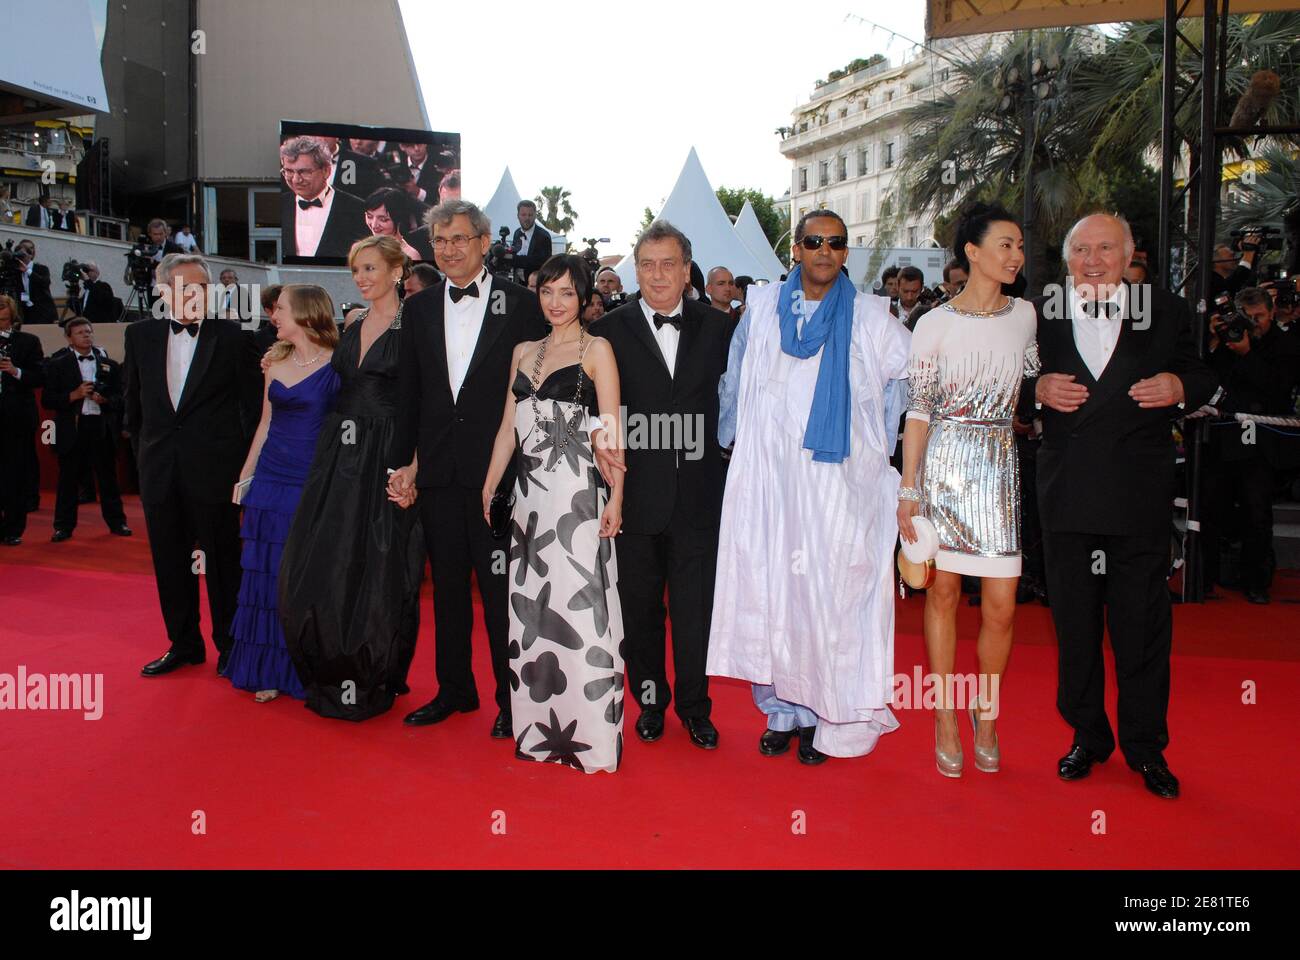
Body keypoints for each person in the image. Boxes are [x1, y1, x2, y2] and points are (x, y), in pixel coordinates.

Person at [1029, 212, 1218, 799]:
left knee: (1141, 631)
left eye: (1105, 248)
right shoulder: (1038, 313)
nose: (1092, 260)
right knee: (1076, 629)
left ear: (1129, 253)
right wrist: (1032, 390)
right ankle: (1087, 737)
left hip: (1138, 496)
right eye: (1080, 250)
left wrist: (1180, 388)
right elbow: (998, 378)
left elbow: (1206, 372)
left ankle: (1146, 748)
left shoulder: (1167, 312)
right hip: (1068, 497)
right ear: (1067, 260)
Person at [711, 209, 910, 762]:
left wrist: (882, 454)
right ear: (796, 248)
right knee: (773, 591)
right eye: (814, 241)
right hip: (771, 478)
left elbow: (908, 380)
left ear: (846, 253)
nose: (825, 250)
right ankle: (782, 713)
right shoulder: (764, 306)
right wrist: (734, 447)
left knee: (831, 598)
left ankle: (829, 714)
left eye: (837, 242)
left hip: (838, 487)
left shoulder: (872, 316)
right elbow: (735, 378)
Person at [387, 200, 546, 739]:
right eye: (439, 241)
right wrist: (404, 463)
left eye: (458, 239)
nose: (449, 250)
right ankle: (454, 690)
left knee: (501, 590)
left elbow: (538, 393)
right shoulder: (420, 306)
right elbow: (409, 391)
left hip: (498, 474)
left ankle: (511, 699)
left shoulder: (522, 304)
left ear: (483, 242)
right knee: (448, 589)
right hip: (436, 470)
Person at [897, 203, 1038, 777]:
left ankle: (988, 714)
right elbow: (918, 412)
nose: (1016, 255)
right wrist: (909, 489)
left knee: (1002, 607)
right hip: (943, 467)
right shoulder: (933, 323)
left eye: (1020, 246)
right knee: (943, 595)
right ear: (972, 253)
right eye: (1004, 244)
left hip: (1000, 466)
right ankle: (945, 718)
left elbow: (1032, 383)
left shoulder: (1026, 315)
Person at [480, 254, 626, 772]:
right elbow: (508, 426)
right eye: (547, 292)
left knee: (582, 607)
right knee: (534, 612)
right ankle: (541, 730)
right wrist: (493, 480)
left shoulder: (598, 349)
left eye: (567, 293)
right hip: (530, 498)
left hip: (577, 498)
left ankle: (591, 736)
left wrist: (617, 497)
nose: (556, 302)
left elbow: (610, 431)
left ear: (584, 297)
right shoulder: (523, 350)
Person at [588, 220, 731, 750]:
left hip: (698, 495)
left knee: (695, 611)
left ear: (687, 270)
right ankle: (650, 701)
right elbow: (600, 415)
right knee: (640, 610)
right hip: (634, 496)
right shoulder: (610, 331)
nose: (657, 275)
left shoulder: (720, 328)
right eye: (646, 264)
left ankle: (696, 708)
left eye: (668, 263)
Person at [279, 236, 425, 720]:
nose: (360, 278)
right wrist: (277, 360)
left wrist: (414, 466)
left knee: (380, 561)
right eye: (355, 269)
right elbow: (332, 375)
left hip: (388, 452)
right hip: (338, 453)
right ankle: (328, 660)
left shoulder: (418, 326)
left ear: (396, 271)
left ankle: (373, 668)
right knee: (328, 552)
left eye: (369, 268)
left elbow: (426, 404)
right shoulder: (353, 321)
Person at [126, 254, 262, 676]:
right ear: (163, 291)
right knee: (170, 561)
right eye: (185, 287)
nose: (195, 296)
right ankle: (183, 644)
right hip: (160, 471)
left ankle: (230, 645)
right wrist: (145, 458)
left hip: (215, 472)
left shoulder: (235, 337)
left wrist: (239, 470)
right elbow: (132, 406)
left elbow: (251, 409)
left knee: (222, 564)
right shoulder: (140, 335)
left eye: (202, 288)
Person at [225, 285, 341, 703]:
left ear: (307, 313)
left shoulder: (339, 364)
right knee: (265, 575)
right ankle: (268, 669)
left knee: (305, 578)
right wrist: (247, 475)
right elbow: (264, 423)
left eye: (282, 309)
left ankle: (307, 666)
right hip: (271, 479)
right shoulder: (274, 361)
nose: (274, 315)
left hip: (312, 482)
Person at [1204, 286, 1300, 604]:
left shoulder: (1285, 345)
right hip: (1223, 437)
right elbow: (1209, 382)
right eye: (1248, 317)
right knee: (1212, 509)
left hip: (1263, 443)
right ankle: (1205, 577)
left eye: (1259, 316)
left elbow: (1278, 388)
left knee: (1256, 513)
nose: (1254, 323)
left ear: (1272, 313)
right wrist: (1216, 343)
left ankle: (1256, 580)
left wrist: (1247, 353)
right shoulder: (1228, 339)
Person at [42, 319, 131, 541]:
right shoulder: (57, 365)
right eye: (80, 332)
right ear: (69, 338)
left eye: (89, 332)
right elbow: (47, 399)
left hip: (100, 427)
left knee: (108, 479)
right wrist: (73, 395)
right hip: (73, 427)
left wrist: (105, 400)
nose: (86, 335)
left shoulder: (108, 364)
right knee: (68, 481)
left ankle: (117, 522)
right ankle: (63, 526)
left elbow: (121, 399)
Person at [0, 295, 45, 545]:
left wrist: (15, 371)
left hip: (17, 418)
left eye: (4, 316)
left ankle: (13, 529)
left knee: (15, 474)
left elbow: (40, 376)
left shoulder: (28, 342)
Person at [279, 136, 367, 259]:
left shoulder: (357, 209)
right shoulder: (280, 205)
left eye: (304, 172)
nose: (296, 180)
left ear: (326, 171)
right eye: (289, 171)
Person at [363, 188, 422, 262]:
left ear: (398, 218)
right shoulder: (361, 249)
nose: (374, 224)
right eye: (369, 217)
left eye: (383, 219)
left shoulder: (410, 256)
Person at [13, 239, 57, 325]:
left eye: (24, 253)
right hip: (26, 313)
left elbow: (44, 283)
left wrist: (28, 271)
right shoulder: (16, 272)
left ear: (30, 255)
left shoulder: (41, 269)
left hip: (43, 313)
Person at [511, 200, 554, 286]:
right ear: (518, 216)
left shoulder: (544, 236)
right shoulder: (516, 233)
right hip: (517, 283)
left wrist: (514, 259)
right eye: (523, 215)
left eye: (530, 215)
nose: (527, 218)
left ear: (535, 216)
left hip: (535, 286)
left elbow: (542, 263)